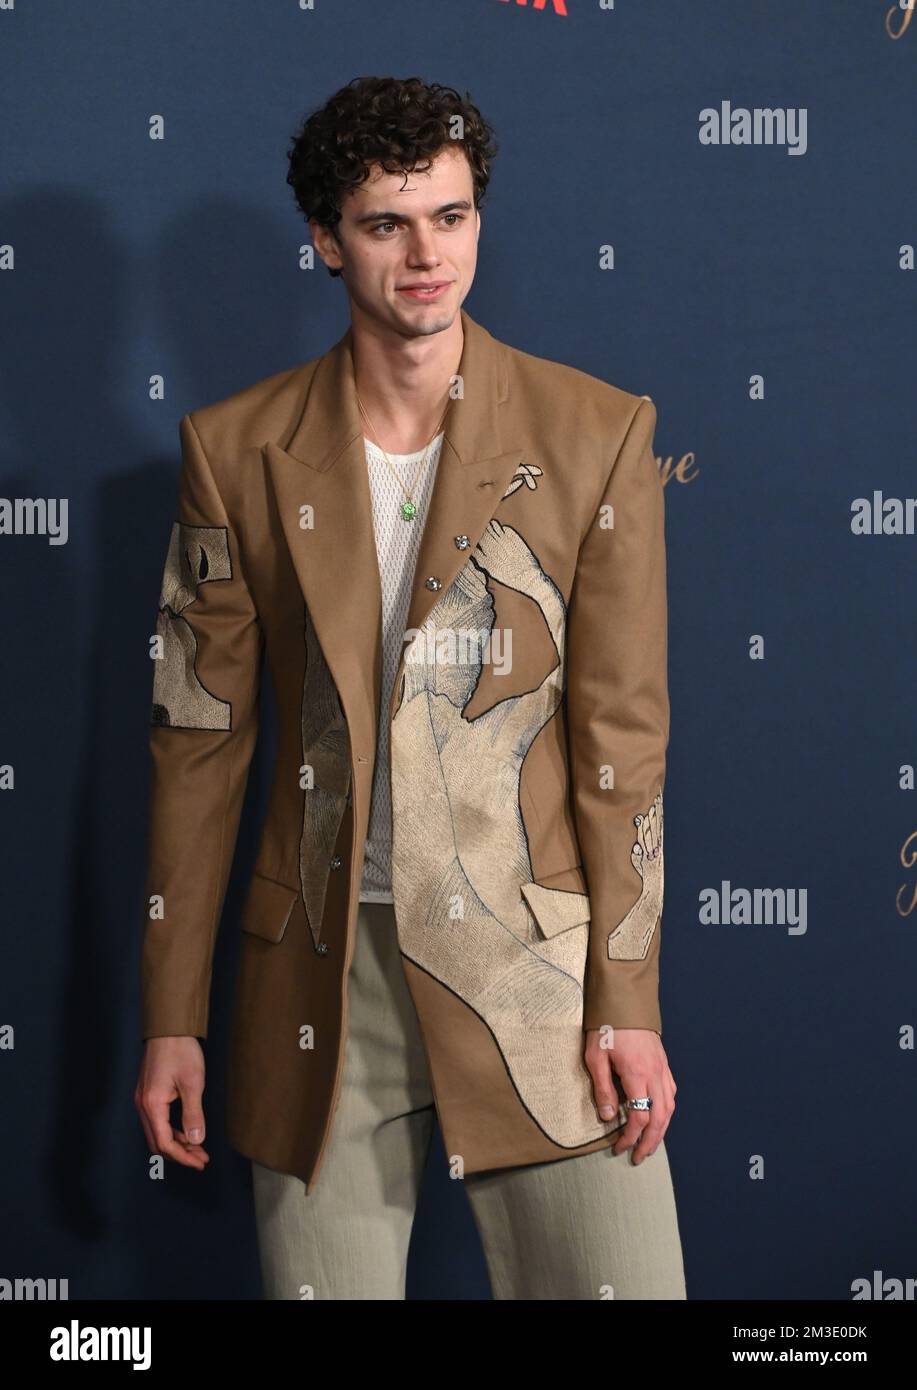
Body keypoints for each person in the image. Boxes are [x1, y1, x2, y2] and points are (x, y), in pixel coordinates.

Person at [135, 74, 686, 1301]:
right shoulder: (233, 451)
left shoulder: (595, 431)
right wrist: (174, 1015)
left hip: (535, 972)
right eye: (386, 224)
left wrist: (627, 997)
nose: (425, 253)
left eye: (449, 216)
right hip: (320, 973)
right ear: (326, 241)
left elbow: (620, 742)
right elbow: (198, 743)